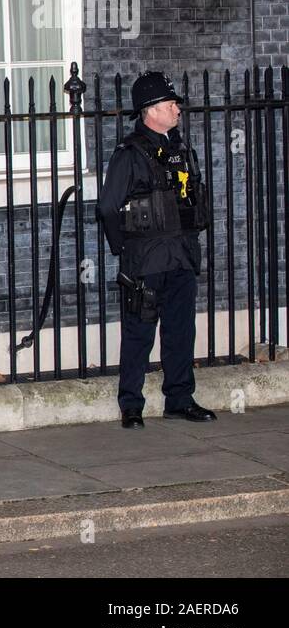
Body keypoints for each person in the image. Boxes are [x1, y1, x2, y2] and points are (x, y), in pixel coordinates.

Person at [96, 71, 216, 429]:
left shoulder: (180, 148)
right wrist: (124, 250)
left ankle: (180, 399)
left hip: (180, 256)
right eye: (170, 104)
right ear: (150, 111)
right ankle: (131, 405)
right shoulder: (129, 154)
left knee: (181, 332)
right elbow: (107, 207)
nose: (177, 109)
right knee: (139, 333)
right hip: (146, 261)